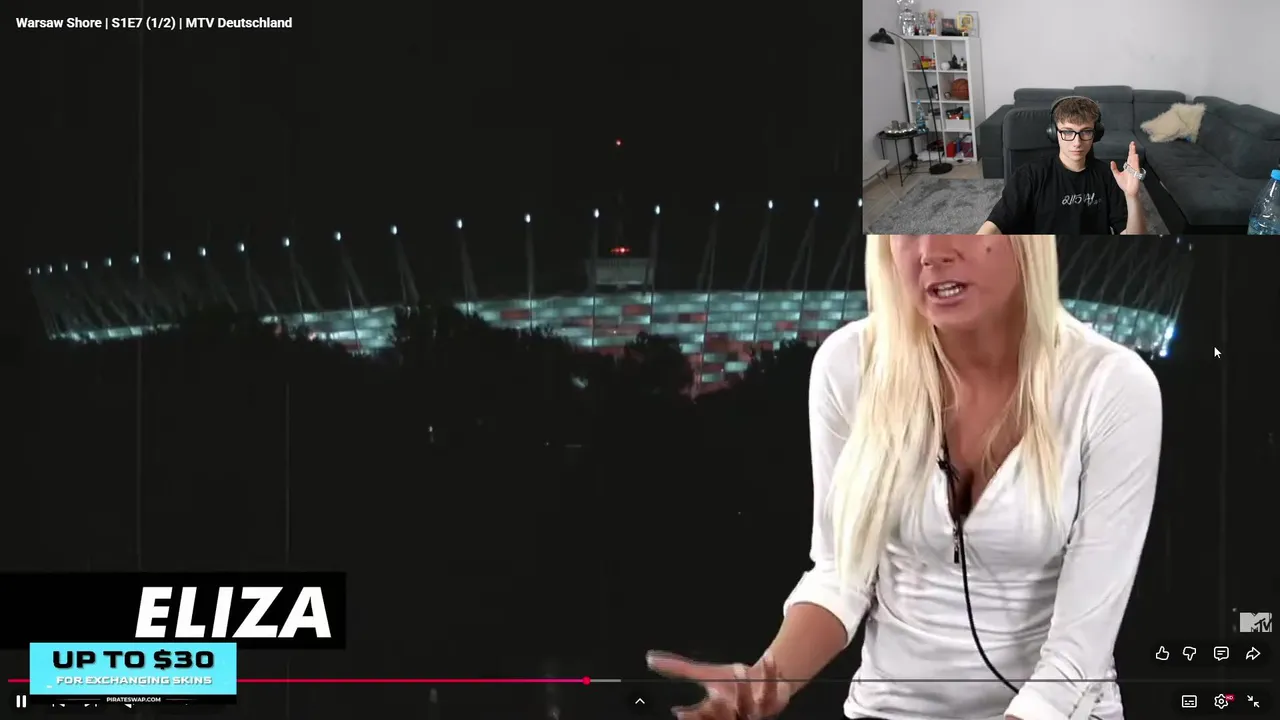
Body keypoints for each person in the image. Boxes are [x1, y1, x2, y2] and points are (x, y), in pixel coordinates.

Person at [647, 235, 1163, 720]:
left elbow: (1077, 656)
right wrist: (767, 682)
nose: (931, 252)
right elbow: (842, 572)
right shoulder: (850, 365)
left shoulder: (1111, 386)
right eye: (907, 228)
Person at [977, 98, 1147, 235]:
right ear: (1054, 133)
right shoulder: (1030, 175)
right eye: (1067, 132)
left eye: (1086, 131)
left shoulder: (1108, 176)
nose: (1077, 142)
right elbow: (996, 224)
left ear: (1095, 134)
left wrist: (1132, 197)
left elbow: (1134, 241)